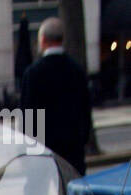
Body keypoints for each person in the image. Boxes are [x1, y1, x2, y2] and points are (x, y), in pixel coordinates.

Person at [20, 17, 92, 174]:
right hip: (73, 152)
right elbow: (85, 112)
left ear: (43, 39)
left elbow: (28, 118)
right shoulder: (77, 71)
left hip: (44, 153)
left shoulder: (32, 74)